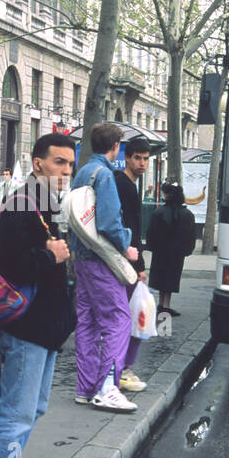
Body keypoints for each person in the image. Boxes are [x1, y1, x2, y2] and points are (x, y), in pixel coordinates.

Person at [0, 133, 76, 458]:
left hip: (46, 327)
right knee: (16, 411)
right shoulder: (22, 204)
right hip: (26, 327)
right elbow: (10, 265)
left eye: (70, 164)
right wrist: (48, 254)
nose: (66, 171)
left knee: (32, 408)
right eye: (58, 162)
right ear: (38, 164)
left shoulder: (47, 203)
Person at [69, 123, 139, 412]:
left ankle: (85, 388)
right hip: (101, 258)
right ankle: (108, 387)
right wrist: (126, 245)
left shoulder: (83, 173)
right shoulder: (106, 175)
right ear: (115, 147)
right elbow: (109, 222)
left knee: (87, 322)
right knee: (118, 320)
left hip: (81, 257)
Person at [113, 137, 150, 393]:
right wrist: (140, 266)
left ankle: (120, 368)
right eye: (137, 158)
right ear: (127, 157)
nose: (142, 163)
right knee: (131, 318)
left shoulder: (126, 184)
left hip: (124, 258)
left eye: (146, 159)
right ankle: (122, 369)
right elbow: (131, 229)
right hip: (127, 260)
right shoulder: (124, 185)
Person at [148, 181, 197, 316]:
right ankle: (166, 305)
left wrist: (151, 247)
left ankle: (161, 304)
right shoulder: (187, 214)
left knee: (160, 277)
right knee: (171, 278)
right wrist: (187, 250)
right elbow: (190, 236)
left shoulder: (159, 212)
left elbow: (151, 233)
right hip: (176, 253)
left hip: (160, 251)